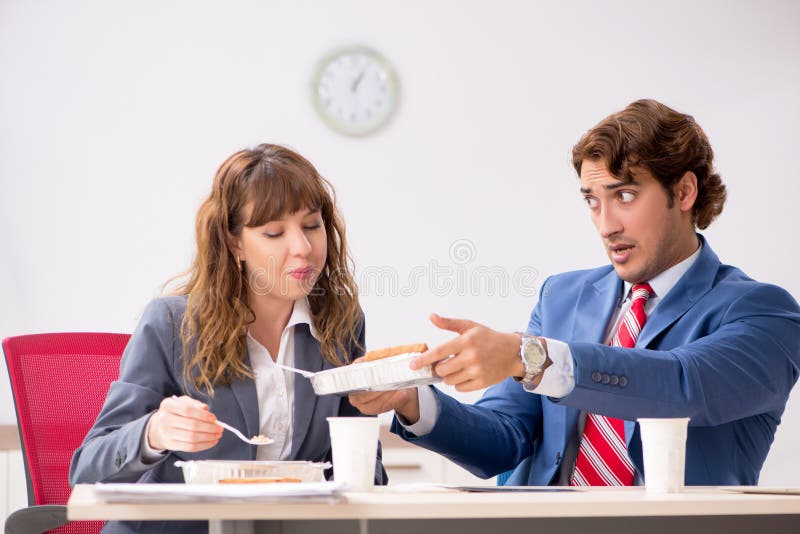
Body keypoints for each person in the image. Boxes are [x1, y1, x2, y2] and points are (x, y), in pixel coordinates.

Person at [350, 99, 800, 487]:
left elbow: (681, 387)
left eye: (624, 196)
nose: (606, 225)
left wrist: (533, 358)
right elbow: (503, 438)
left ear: (683, 192)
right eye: (591, 200)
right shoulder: (561, 296)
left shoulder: (764, 314)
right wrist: (411, 403)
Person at [70, 144, 386, 533]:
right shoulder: (172, 323)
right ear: (234, 242)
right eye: (274, 233)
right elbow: (86, 470)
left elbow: (363, 461)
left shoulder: (340, 324)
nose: (303, 249)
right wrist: (153, 432)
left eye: (311, 225)